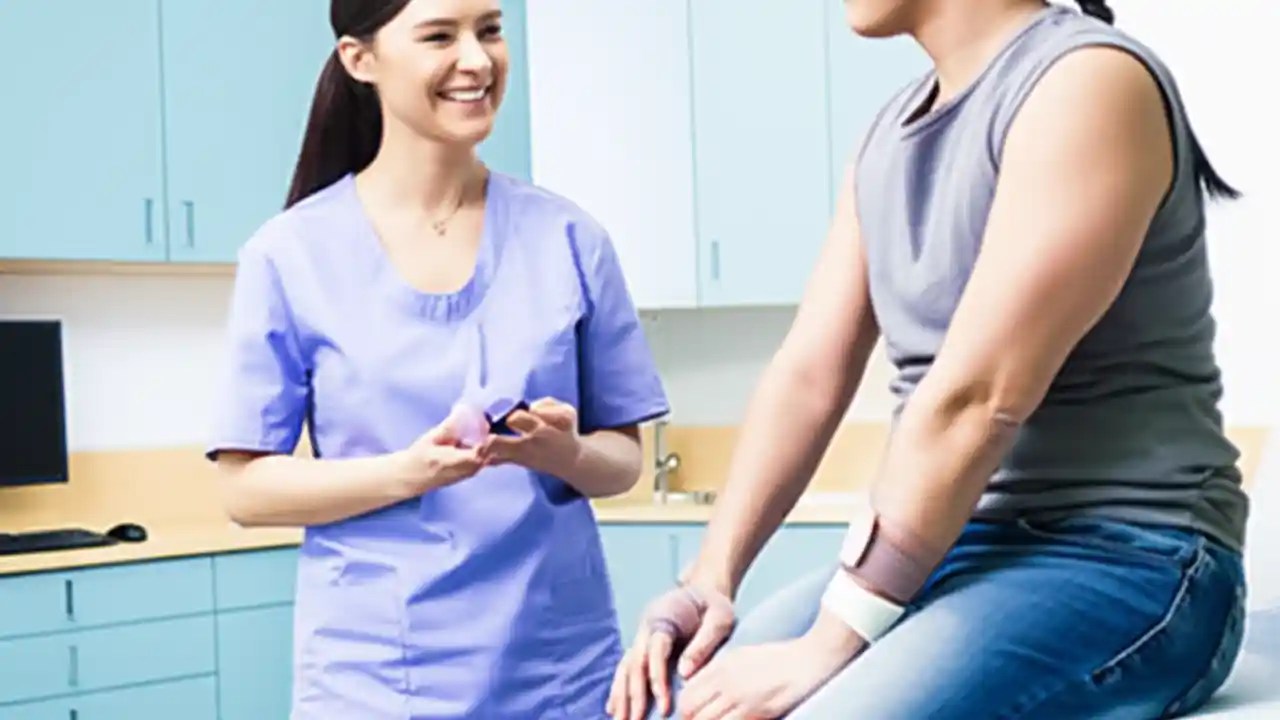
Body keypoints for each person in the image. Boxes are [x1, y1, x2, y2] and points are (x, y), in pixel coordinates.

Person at [608, 0, 1249, 718]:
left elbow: (977, 397)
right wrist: (709, 580)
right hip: (961, 549)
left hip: (1130, 557)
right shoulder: (892, 134)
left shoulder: (1088, 82)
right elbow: (808, 375)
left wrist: (829, 644)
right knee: (682, 704)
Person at [205, 0, 669, 717]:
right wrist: (406, 473)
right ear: (361, 61)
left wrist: (562, 453)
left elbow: (623, 462)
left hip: (557, 674)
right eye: (439, 36)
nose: (478, 59)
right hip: (378, 682)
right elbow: (245, 490)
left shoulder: (571, 239)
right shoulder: (289, 255)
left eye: (489, 29)